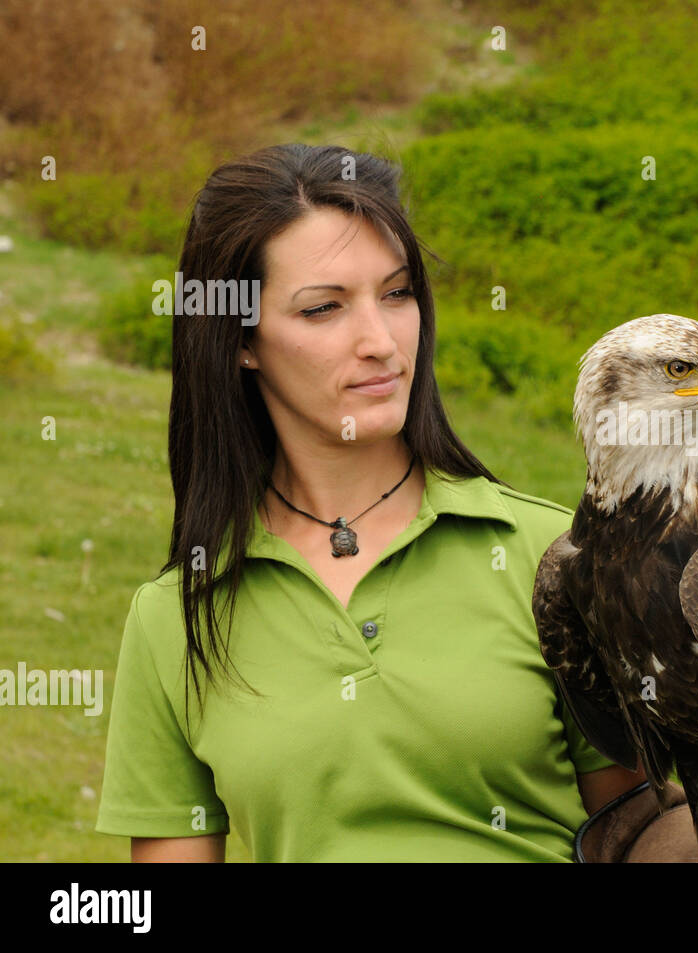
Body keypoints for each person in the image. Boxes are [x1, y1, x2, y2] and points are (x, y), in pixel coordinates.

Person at [93, 143, 648, 861]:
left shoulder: (556, 557)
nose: (381, 342)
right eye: (324, 308)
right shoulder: (178, 616)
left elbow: (635, 833)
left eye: (397, 293)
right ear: (239, 338)